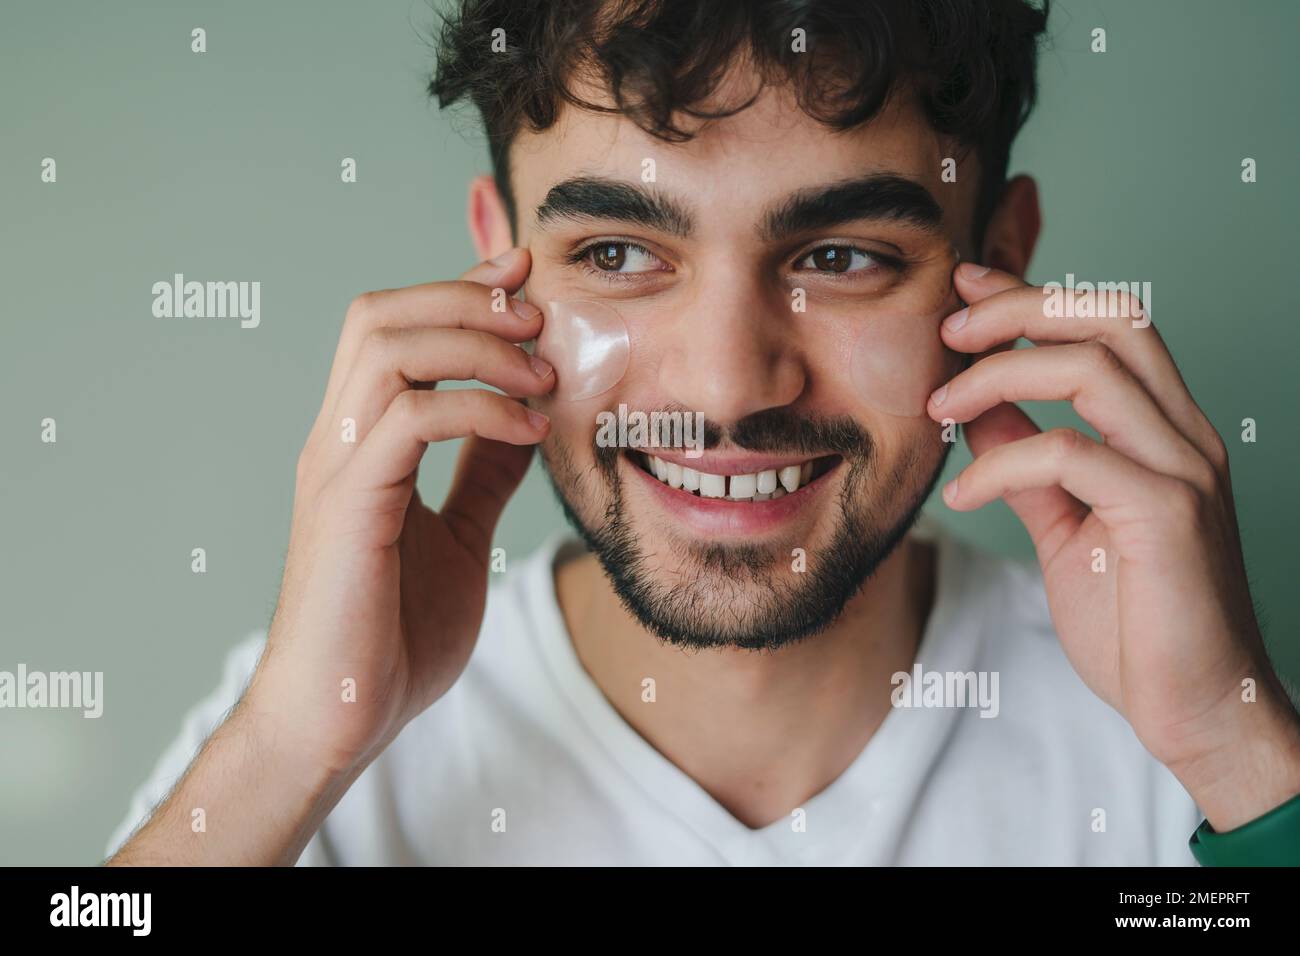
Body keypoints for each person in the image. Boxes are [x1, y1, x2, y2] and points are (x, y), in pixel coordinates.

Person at [105, 0, 1300, 866]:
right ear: (494, 259)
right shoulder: (304, 746)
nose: (728, 388)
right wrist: (289, 748)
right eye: (618, 255)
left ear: (1003, 263)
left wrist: (1235, 749)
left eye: (841, 257)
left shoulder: (1174, 744)